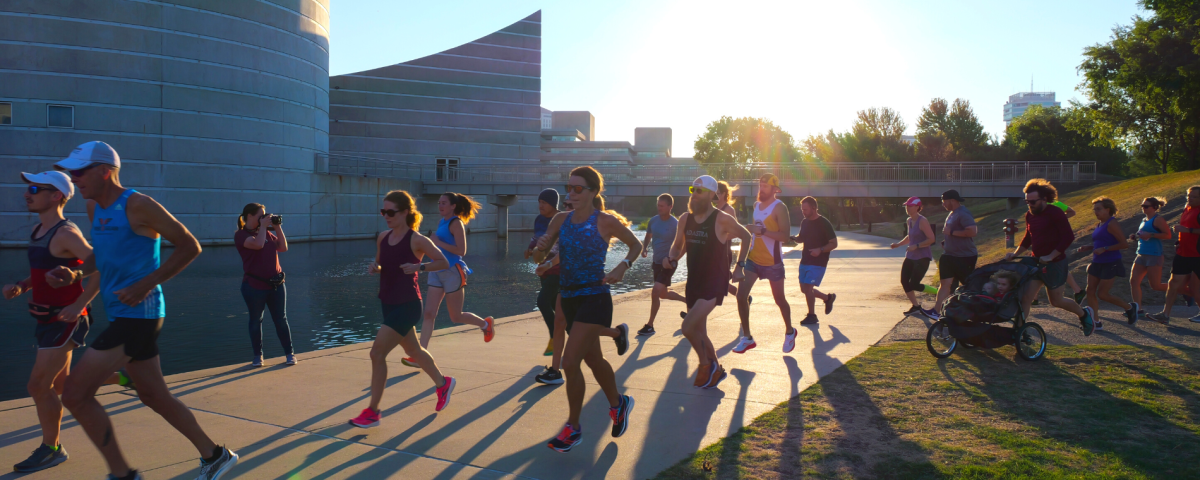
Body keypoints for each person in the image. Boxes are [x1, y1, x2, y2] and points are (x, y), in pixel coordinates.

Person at [49, 141, 238, 480]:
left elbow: (189, 245)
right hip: (123, 314)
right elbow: (101, 256)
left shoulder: (139, 205)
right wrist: (77, 272)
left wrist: (147, 283)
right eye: (71, 173)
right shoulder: (96, 209)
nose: (74, 179)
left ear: (105, 171)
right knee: (153, 395)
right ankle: (216, 455)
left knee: (75, 394)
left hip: (142, 315)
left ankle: (123, 475)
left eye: (79, 172)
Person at [3, 171, 128, 473]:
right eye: (28, 188)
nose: (27, 193)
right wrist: (22, 285)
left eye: (34, 188)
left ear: (57, 195)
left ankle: (52, 448)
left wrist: (79, 303)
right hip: (46, 319)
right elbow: (41, 270)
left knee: (37, 385)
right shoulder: (38, 230)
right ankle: (123, 377)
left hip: (66, 320)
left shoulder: (66, 234)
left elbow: (103, 268)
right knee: (61, 385)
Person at [536, 166, 636, 453]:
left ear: (593, 191)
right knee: (594, 361)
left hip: (596, 298)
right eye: (569, 188)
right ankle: (619, 404)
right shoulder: (559, 219)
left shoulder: (604, 222)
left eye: (578, 189)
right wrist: (542, 249)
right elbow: (544, 255)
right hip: (569, 299)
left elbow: (635, 244)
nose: (571, 193)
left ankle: (573, 428)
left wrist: (623, 266)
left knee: (569, 363)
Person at [349, 190, 457, 428]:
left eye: (391, 212)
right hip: (387, 301)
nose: (386, 216)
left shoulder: (417, 239)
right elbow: (381, 264)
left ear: (405, 212)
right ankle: (443, 383)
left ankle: (372, 411)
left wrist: (420, 267)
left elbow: (443, 261)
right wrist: (374, 268)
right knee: (415, 351)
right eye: (383, 211)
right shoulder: (383, 237)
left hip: (408, 304)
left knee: (377, 353)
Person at [666, 175, 752, 389]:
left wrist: (740, 266)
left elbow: (746, 236)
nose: (694, 195)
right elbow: (678, 246)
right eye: (692, 189)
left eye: (699, 191)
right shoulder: (685, 219)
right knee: (700, 331)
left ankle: (705, 365)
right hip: (693, 280)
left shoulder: (721, 219)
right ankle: (717, 370)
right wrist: (672, 258)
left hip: (714, 282)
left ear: (712, 195)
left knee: (688, 326)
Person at [408, 192, 494, 367]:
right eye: (439, 203)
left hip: (453, 272)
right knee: (429, 313)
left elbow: (461, 250)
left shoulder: (456, 223)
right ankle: (420, 356)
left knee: (456, 316)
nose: (440, 206)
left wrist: (437, 242)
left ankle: (485, 324)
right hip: (436, 270)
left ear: (453, 206)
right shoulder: (442, 222)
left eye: (444, 203)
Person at [1007, 178, 1096, 335]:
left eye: (1033, 202)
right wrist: (1015, 254)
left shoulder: (1055, 212)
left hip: (1055, 263)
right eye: (1027, 202)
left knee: (1056, 301)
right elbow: (1028, 237)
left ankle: (1084, 314)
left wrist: (1051, 256)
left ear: (1044, 199)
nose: (1030, 205)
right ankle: (1018, 332)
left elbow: (1068, 237)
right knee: (1026, 298)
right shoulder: (1030, 215)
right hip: (1037, 263)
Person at [732, 173, 793, 354]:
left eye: (765, 186)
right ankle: (747, 337)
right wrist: (751, 233)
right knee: (741, 296)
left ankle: (790, 332)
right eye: (760, 185)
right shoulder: (756, 205)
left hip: (773, 263)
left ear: (775, 189)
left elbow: (785, 237)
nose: (762, 189)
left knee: (779, 300)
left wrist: (762, 230)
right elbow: (755, 231)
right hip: (753, 260)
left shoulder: (779, 208)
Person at [234, 203, 295, 368]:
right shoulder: (241, 235)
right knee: (256, 320)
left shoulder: (267, 233)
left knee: (281, 319)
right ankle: (258, 356)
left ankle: (290, 354)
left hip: (276, 285)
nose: (265, 218)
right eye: (261, 216)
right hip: (253, 286)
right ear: (249, 216)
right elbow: (258, 244)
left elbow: (283, 248)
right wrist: (263, 227)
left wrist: (277, 227)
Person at [1076, 197, 1138, 326]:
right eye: (1094, 210)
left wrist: (1105, 249)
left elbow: (1124, 244)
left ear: (1107, 210)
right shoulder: (1099, 224)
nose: (1096, 212)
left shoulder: (1112, 223)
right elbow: (1102, 242)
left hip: (1111, 262)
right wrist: (1089, 248)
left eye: (1098, 209)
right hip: (1097, 261)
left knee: (1103, 294)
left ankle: (1129, 308)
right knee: (1090, 291)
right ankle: (1096, 322)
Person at [528, 189, 566, 385]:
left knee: (542, 301)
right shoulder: (538, 220)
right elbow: (536, 240)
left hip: (558, 269)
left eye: (545, 202)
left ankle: (554, 338)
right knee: (555, 307)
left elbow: (564, 246)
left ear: (554, 203)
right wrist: (530, 249)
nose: (541, 205)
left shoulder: (561, 219)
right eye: (539, 201)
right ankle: (571, 340)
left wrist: (550, 262)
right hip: (543, 269)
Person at [1148, 186, 1200, 325]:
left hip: (1197, 255)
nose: (1190, 199)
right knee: (1174, 284)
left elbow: (1189, 229)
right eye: (1189, 196)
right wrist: (1179, 240)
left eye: (1194, 197)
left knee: (1195, 288)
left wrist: (1187, 230)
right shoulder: (1187, 209)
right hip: (1183, 253)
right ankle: (1165, 315)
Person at [636, 193, 686, 336]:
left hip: (669, 263)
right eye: (658, 205)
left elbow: (682, 244)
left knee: (655, 291)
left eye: (662, 206)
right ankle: (689, 302)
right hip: (656, 262)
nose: (659, 208)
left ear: (670, 207)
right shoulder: (653, 221)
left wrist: (673, 259)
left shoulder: (676, 224)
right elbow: (648, 236)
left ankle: (650, 325)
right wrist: (644, 248)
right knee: (662, 294)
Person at [931, 189, 978, 320]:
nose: (943, 204)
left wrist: (951, 232)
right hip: (950, 255)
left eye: (944, 201)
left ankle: (976, 310)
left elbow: (972, 231)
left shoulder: (963, 213)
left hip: (964, 257)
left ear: (952, 200)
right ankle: (938, 311)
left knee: (969, 286)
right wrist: (947, 242)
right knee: (945, 284)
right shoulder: (952, 213)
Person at [792, 196, 838, 326]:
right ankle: (827, 298)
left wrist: (820, 249)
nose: (803, 212)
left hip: (818, 262)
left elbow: (834, 243)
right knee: (804, 289)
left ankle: (812, 315)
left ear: (814, 208)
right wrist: (795, 238)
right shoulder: (805, 222)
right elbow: (802, 237)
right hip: (805, 260)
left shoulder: (824, 223)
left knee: (808, 288)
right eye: (802, 210)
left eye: (805, 209)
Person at [890, 197, 938, 318]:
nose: (908, 208)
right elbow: (910, 236)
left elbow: (931, 239)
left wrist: (916, 246)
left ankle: (939, 292)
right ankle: (916, 306)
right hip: (911, 256)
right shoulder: (909, 220)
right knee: (904, 281)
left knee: (914, 284)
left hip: (922, 258)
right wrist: (899, 244)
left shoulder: (923, 221)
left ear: (917, 207)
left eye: (910, 206)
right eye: (907, 206)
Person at [1129, 197, 1170, 318]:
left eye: (1146, 206)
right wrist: (1135, 237)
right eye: (1142, 205)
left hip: (1154, 254)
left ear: (1154, 208)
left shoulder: (1158, 219)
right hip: (1141, 253)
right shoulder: (1144, 220)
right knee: (1134, 281)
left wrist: (1151, 234)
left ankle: (1181, 290)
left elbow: (1167, 235)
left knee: (1155, 285)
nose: (1143, 208)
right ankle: (1138, 309)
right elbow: (1143, 234)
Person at [1050, 200, 1088, 304]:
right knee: (1056, 266)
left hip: (1055, 238)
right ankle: (1078, 291)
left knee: (1055, 265)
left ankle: (1034, 298)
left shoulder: (1055, 204)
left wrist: (1060, 220)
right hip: (1044, 238)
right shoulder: (1036, 204)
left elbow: (1072, 212)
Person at [715, 180, 741, 297]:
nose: (716, 196)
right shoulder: (713, 208)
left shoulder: (729, 210)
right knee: (716, 281)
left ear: (724, 194)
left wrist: (721, 237)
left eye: (718, 193)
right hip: (712, 252)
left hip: (724, 252)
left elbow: (736, 233)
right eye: (714, 193)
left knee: (720, 283)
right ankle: (743, 296)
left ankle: (743, 296)